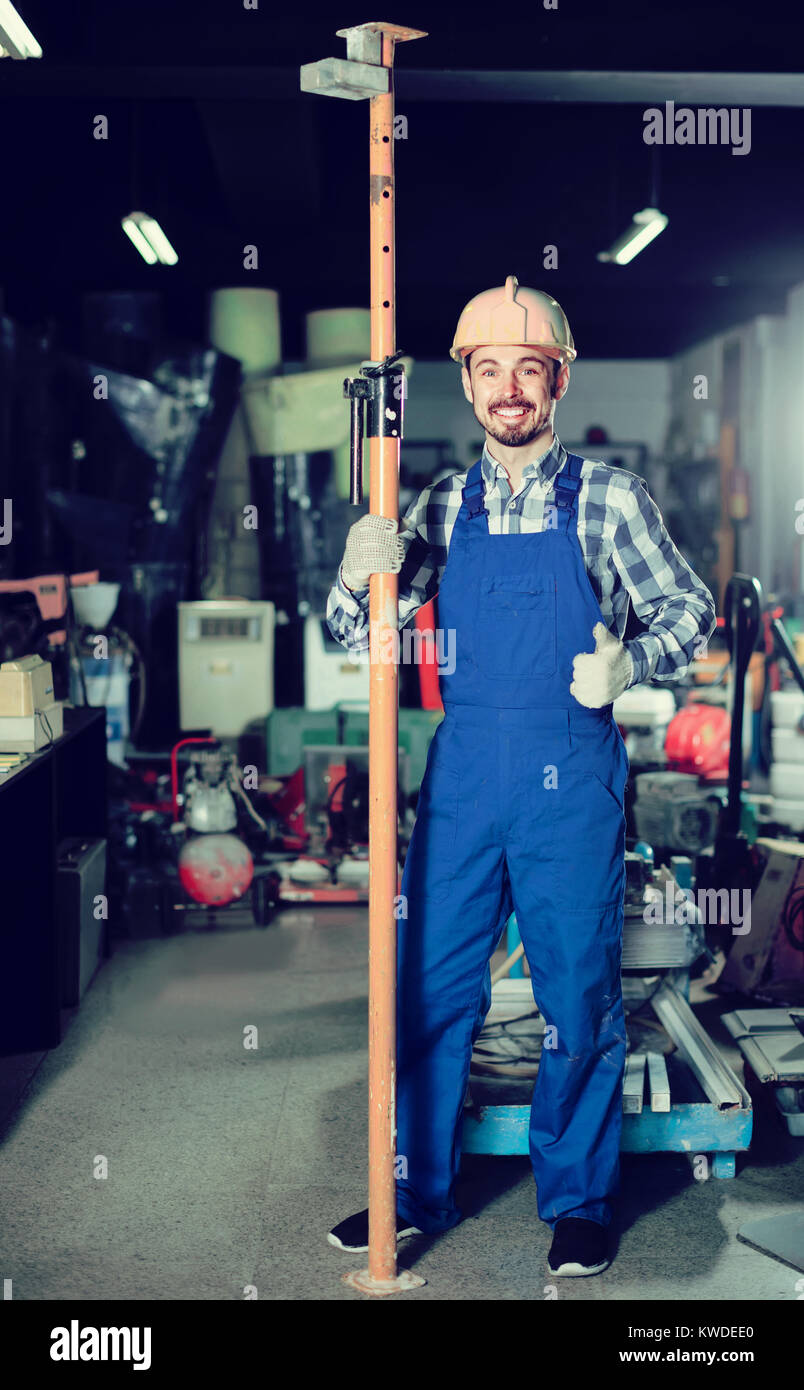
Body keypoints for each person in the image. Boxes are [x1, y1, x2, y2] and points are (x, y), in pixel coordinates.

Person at [324, 276, 717, 1277]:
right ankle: (406, 1190)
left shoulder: (612, 499)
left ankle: (579, 1200)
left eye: (527, 370)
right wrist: (356, 565)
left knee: (576, 991)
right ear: (466, 381)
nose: (508, 389)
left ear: (558, 380)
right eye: (488, 370)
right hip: (463, 780)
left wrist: (632, 662)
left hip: (571, 776)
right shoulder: (436, 502)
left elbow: (690, 610)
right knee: (425, 985)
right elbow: (352, 634)